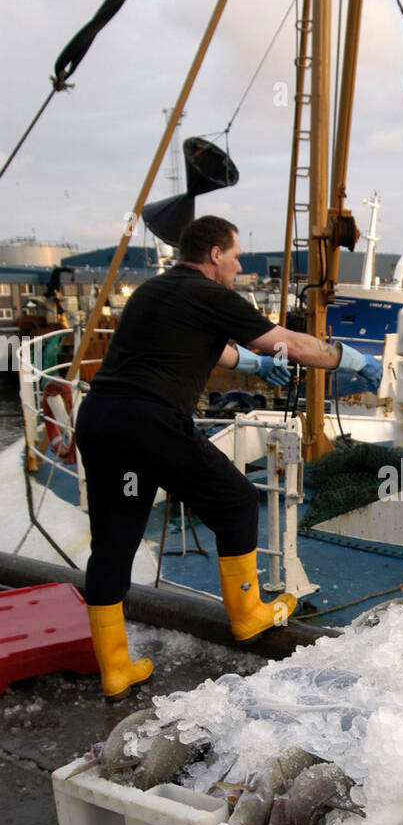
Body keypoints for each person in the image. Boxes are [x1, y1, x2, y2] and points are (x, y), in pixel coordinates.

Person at [76, 214, 382, 698]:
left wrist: (260, 364)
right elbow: (294, 344)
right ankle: (248, 615)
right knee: (236, 502)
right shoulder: (211, 293)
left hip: (100, 420)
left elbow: (216, 350)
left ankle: (115, 669)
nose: (239, 265)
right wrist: (355, 359)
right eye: (236, 255)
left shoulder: (153, 292)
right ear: (215, 254)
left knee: (114, 541)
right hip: (152, 422)